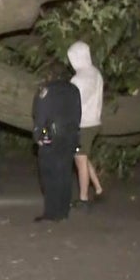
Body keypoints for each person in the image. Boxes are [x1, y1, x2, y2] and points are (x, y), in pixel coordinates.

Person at [32, 74, 82, 221]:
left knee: (49, 175)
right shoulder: (74, 90)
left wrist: (37, 136)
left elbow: (39, 115)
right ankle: (63, 211)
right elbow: (78, 114)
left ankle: (51, 212)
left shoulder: (46, 90)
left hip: (51, 137)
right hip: (70, 135)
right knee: (65, 173)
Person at [67, 40, 105, 208]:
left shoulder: (78, 79)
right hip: (95, 121)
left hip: (83, 124)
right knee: (85, 155)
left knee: (80, 160)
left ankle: (83, 198)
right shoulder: (96, 73)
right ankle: (98, 188)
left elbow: (72, 102)